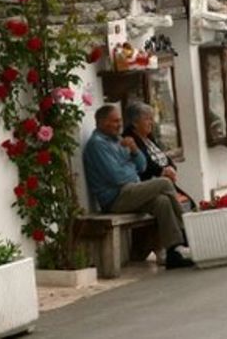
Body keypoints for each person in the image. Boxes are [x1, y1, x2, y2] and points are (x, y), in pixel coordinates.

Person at [82, 104, 193, 269]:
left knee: (161, 201)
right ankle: (187, 232)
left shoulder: (118, 140)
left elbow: (141, 166)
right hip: (115, 198)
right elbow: (117, 177)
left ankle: (173, 251)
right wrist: (130, 169)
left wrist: (134, 150)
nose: (120, 125)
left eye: (120, 121)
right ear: (102, 122)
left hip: (130, 191)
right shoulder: (97, 145)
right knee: (164, 183)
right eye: (115, 121)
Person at [122, 102, 195, 210]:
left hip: (166, 182)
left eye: (151, 119)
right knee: (178, 205)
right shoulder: (129, 140)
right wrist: (162, 172)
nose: (151, 122)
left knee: (188, 203)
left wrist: (171, 168)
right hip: (150, 184)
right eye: (147, 119)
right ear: (135, 122)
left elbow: (164, 157)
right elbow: (144, 165)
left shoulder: (149, 138)